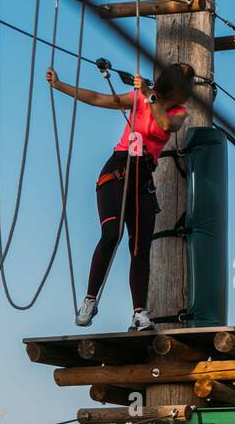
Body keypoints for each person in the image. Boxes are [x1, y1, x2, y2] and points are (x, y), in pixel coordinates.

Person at [47, 61, 195, 332]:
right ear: (177, 90)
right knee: (110, 234)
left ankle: (139, 313)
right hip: (118, 169)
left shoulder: (178, 112)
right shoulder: (140, 98)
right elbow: (98, 98)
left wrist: (149, 95)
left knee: (140, 248)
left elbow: (165, 123)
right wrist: (59, 85)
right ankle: (90, 299)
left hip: (142, 178)